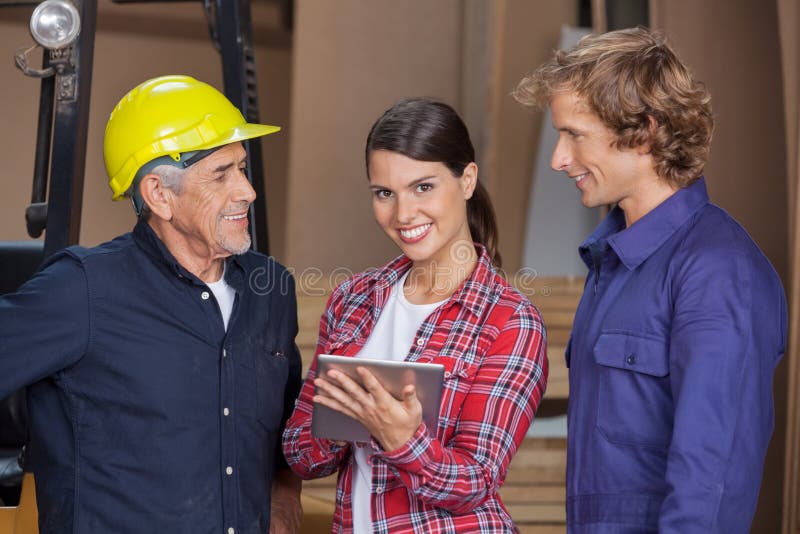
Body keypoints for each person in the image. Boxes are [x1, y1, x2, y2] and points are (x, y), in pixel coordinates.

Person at [0, 75, 303, 533]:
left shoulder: (271, 288)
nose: (247, 191)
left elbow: (285, 417)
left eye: (242, 168)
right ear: (160, 194)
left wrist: (284, 494)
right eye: (221, 174)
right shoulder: (82, 290)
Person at [514, 27, 788, 533]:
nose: (558, 159)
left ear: (643, 131)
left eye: (575, 135)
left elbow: (712, 480)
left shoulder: (717, 271)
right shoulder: (612, 263)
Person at [282, 98, 548, 533]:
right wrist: (344, 423)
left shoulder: (510, 322)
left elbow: (476, 480)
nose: (403, 214)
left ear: (467, 180)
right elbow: (300, 453)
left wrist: (403, 440)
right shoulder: (353, 300)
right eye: (384, 193)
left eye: (423, 187)